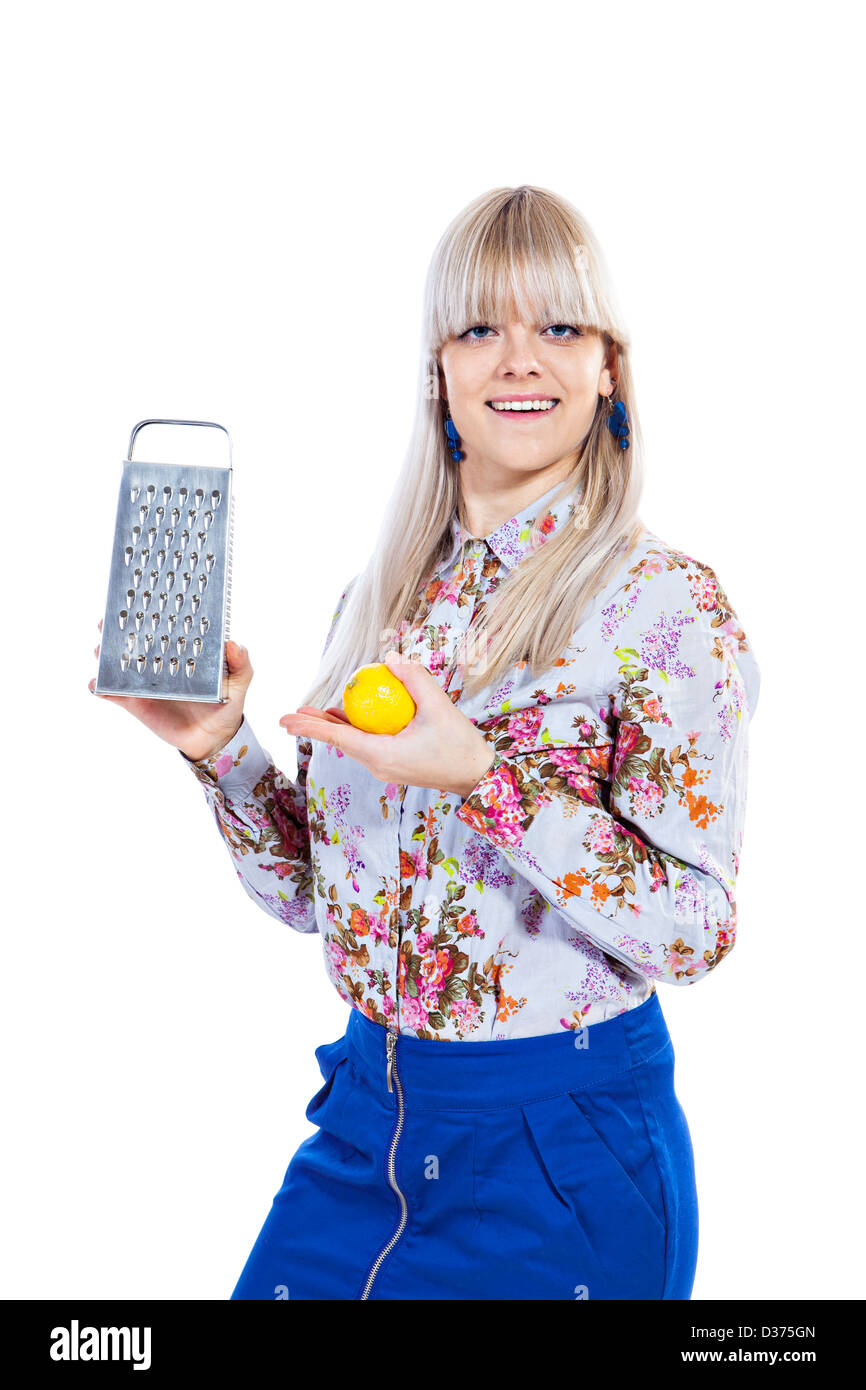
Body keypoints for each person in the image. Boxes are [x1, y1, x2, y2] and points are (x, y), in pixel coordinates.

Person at [89, 185, 760, 1301]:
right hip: (367, 1120)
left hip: (559, 1149)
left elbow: (694, 933)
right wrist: (221, 748)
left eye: (558, 326)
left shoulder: (664, 607)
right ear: (437, 370)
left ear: (608, 370)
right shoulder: (387, 602)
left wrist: (486, 783)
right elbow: (315, 894)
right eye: (477, 328)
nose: (517, 360)